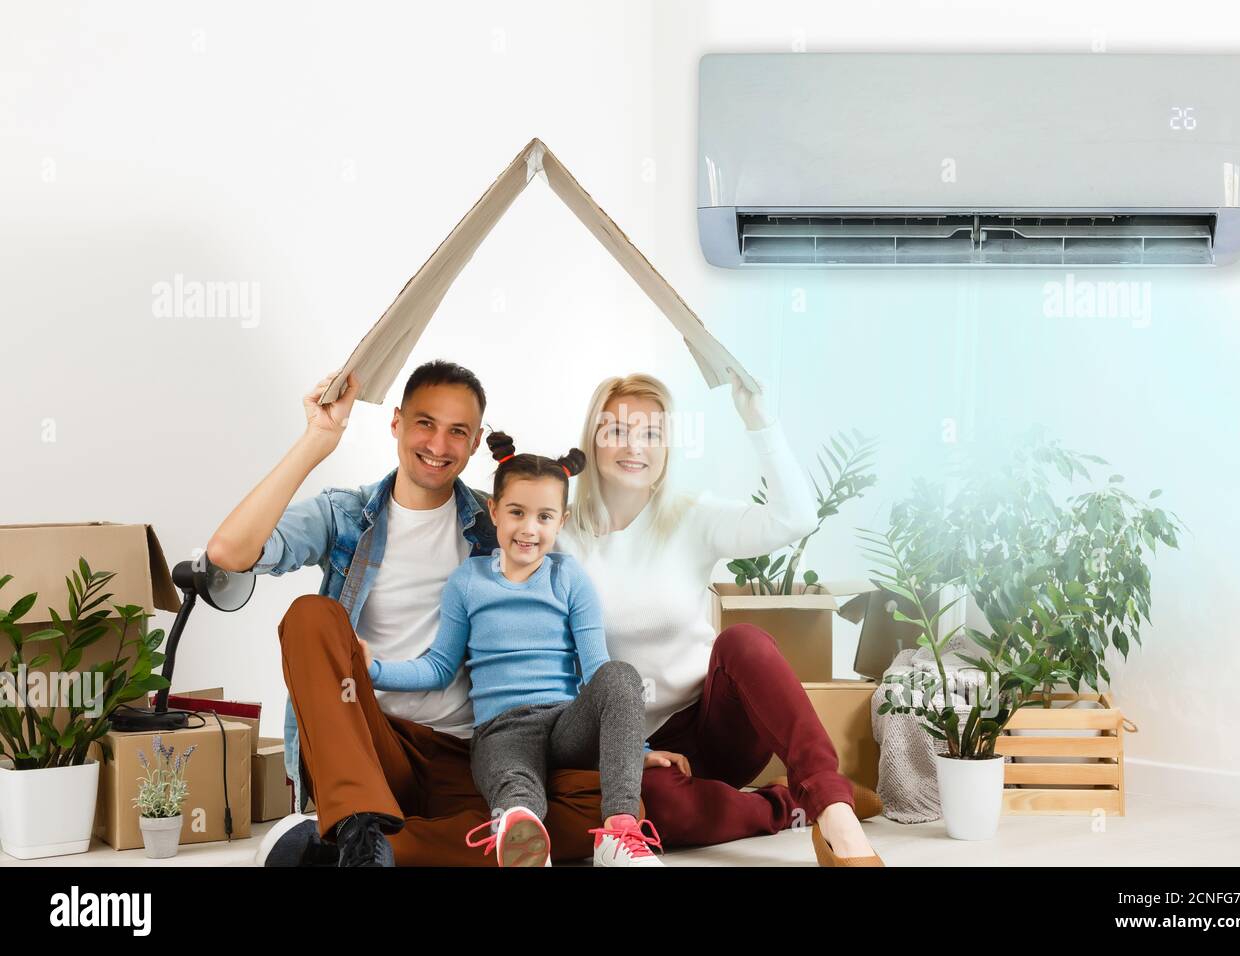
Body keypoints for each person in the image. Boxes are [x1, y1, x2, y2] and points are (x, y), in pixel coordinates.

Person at [206, 361, 607, 866]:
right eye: (425, 423)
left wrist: (623, 738)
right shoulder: (345, 514)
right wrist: (318, 439)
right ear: (396, 422)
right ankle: (357, 823)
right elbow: (229, 552)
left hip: (473, 756)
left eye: (457, 431)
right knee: (312, 615)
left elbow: (563, 629)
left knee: (605, 813)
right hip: (371, 748)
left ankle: (370, 850)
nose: (438, 446)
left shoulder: (501, 520)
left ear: (476, 439)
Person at [559, 370, 886, 866]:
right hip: (633, 750)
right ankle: (783, 805)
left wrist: (760, 421)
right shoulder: (559, 538)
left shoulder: (691, 517)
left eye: (651, 434)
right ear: (593, 438)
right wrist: (628, 749)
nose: (635, 447)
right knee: (657, 813)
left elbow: (796, 518)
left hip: (713, 725)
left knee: (744, 642)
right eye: (618, 430)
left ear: (668, 448)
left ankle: (833, 807)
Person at [362, 431, 667, 866]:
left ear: (560, 521)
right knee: (516, 785)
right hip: (501, 730)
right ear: (495, 511)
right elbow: (438, 668)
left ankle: (617, 835)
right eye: (517, 513)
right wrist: (373, 669)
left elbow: (599, 673)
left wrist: (641, 750)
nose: (529, 528)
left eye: (544, 517)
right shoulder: (468, 581)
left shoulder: (568, 578)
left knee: (621, 673)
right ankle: (521, 834)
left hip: (565, 724)